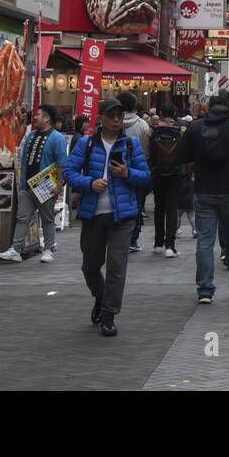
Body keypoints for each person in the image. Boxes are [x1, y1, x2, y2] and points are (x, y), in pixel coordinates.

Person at [63, 100, 151, 336]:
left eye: (119, 116)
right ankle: (100, 296)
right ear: (100, 118)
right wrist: (89, 183)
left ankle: (109, 314)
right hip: (93, 214)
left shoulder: (131, 145)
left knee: (116, 265)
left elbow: (146, 177)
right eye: (111, 116)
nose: (116, 120)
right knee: (90, 266)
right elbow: (68, 173)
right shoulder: (86, 144)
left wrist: (126, 173)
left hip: (123, 216)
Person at [178, 89, 229, 304]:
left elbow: (182, 156)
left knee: (205, 241)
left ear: (209, 106)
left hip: (203, 189)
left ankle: (205, 289)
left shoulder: (195, 127)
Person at [0, 104, 67, 263]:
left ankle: (48, 249)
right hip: (27, 185)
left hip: (46, 186)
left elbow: (62, 164)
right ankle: (15, 249)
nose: (35, 117)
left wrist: (58, 186)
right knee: (22, 217)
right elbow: (23, 159)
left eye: (38, 115)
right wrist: (22, 182)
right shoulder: (31, 136)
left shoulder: (57, 138)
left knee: (48, 219)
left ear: (47, 118)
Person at [147, 104, 186, 257]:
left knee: (159, 208)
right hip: (175, 173)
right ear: (175, 113)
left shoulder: (152, 131)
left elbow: (147, 153)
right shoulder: (180, 131)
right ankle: (170, 245)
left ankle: (158, 243)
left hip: (157, 173)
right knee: (172, 208)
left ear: (161, 113)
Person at [119, 93, 153, 253]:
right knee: (137, 205)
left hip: (115, 169)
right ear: (134, 106)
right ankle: (132, 238)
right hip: (138, 170)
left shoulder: (111, 123)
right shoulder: (142, 125)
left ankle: (118, 236)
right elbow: (147, 150)